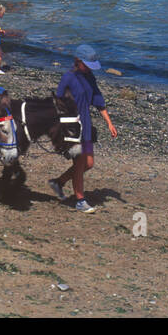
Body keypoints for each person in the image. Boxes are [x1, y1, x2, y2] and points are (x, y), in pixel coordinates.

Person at [47, 45, 117, 213]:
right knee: (79, 163)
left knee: (89, 163)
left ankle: (59, 182)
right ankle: (80, 200)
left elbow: (98, 101)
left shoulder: (90, 77)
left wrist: (109, 122)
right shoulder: (68, 77)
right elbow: (58, 102)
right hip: (71, 126)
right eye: (87, 64)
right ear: (78, 61)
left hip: (85, 124)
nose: (89, 68)